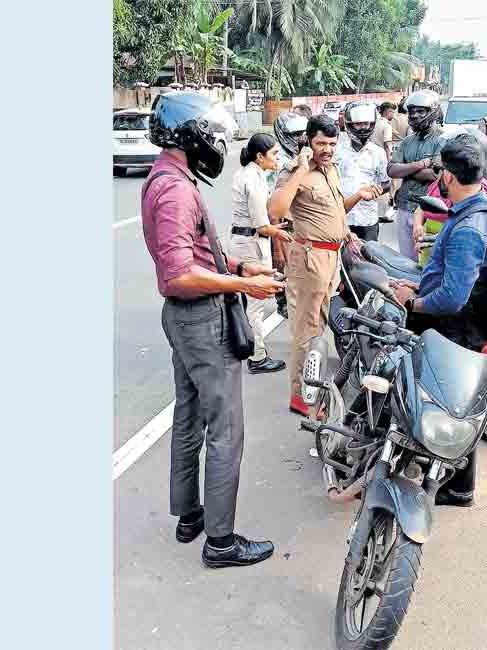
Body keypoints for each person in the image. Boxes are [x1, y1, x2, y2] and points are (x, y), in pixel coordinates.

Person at [140, 92, 284, 568]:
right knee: (226, 429)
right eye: (214, 137)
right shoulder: (176, 190)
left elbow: (197, 252)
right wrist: (243, 283)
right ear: (193, 137)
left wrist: (240, 267)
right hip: (201, 319)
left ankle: (190, 517)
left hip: (188, 319)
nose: (218, 147)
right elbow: (179, 275)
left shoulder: (169, 177)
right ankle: (220, 542)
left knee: (190, 416)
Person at [390, 134, 487, 508]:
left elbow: (452, 297)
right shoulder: (476, 207)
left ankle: (458, 486)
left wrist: (414, 302)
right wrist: (420, 284)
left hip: (454, 326)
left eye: (442, 174)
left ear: (448, 176)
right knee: (457, 400)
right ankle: (451, 477)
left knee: (452, 402)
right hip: (458, 321)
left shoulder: (469, 228)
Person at [269, 115, 380, 416]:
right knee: (306, 331)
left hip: (331, 258)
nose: (327, 149)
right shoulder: (295, 170)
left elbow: (333, 210)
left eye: (332, 143)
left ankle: (312, 390)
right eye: (321, 143)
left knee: (319, 328)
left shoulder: (331, 169)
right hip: (310, 259)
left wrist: (356, 202)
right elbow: (276, 209)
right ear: (308, 141)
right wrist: (301, 168)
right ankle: (301, 397)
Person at [231, 134, 295, 374]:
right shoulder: (253, 179)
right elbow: (262, 225)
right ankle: (257, 357)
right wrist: (281, 234)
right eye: (274, 154)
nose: (277, 158)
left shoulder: (249, 173)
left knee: (248, 301)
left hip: (244, 240)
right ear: (260, 156)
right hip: (252, 244)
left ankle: (247, 348)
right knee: (255, 305)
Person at [387, 90, 447, 259]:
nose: (414, 115)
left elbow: (435, 175)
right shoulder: (407, 142)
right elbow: (391, 170)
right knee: (406, 260)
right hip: (405, 206)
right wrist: (419, 165)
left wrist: (405, 170)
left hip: (430, 211)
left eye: (420, 111)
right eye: (412, 111)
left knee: (428, 260)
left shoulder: (443, 140)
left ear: (433, 111)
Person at [413, 159, 487, 266]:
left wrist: (442, 239)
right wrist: (418, 226)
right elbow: (421, 208)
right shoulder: (437, 185)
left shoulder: (477, 190)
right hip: (429, 246)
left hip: (454, 250)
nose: (443, 174)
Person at [270, 111, 310, 319]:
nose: (300, 137)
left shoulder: (303, 158)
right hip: (283, 227)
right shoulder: (277, 163)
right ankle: (284, 304)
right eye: (295, 134)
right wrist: (276, 245)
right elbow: (272, 209)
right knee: (284, 269)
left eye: (303, 133)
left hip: (302, 226)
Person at [335, 103, 391, 242]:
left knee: (369, 254)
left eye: (366, 123)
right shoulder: (337, 151)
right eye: (358, 124)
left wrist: (374, 191)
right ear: (350, 124)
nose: (363, 128)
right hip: (341, 218)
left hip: (367, 219)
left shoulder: (378, 153)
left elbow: (386, 183)